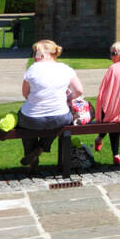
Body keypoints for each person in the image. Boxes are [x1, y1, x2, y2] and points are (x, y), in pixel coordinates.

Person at [19, 40, 83, 168]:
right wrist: (67, 98)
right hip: (59, 116)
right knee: (58, 121)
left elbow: (25, 94)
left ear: (42, 55)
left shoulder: (32, 69)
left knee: (24, 122)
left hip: (33, 118)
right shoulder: (65, 69)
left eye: (34, 53)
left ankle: (32, 157)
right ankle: (42, 146)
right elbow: (79, 91)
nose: (33, 56)